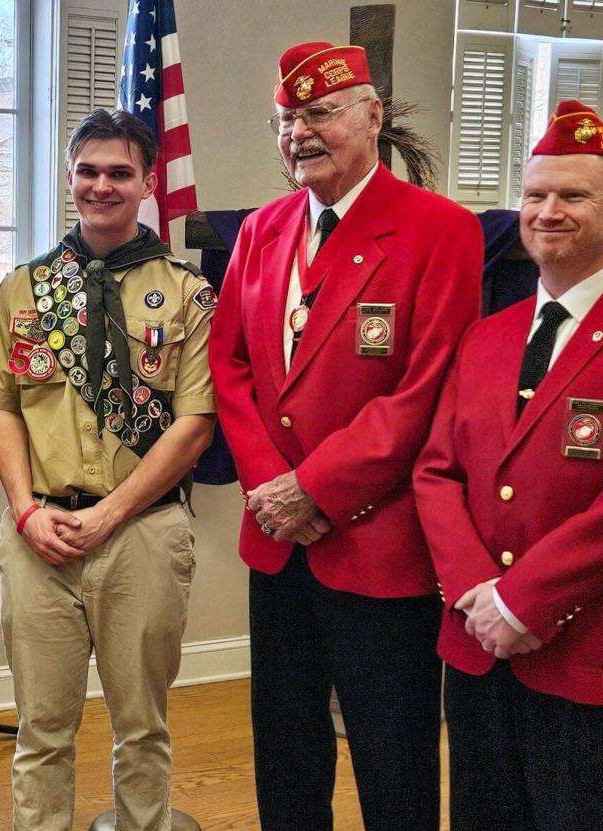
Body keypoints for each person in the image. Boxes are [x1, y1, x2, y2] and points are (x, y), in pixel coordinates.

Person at [208, 42, 484, 830]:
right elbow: (228, 365)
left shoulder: (440, 231)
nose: (299, 132)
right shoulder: (262, 231)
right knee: (286, 752)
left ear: (372, 115)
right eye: (287, 118)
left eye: (320, 113)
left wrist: (318, 488)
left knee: (391, 755)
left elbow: (426, 388)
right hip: (279, 539)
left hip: (378, 545)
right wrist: (273, 488)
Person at [414, 100, 603, 831]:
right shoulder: (486, 335)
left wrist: (523, 601)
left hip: (590, 650)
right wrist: (479, 593)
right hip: (480, 642)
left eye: (573, 195)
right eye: (535, 194)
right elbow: (436, 471)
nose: (548, 211)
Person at [0, 108, 216, 831]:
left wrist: (111, 512)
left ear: (147, 182)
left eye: (119, 173)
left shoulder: (189, 294)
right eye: (89, 171)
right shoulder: (25, 289)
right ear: (70, 176)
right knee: (40, 730)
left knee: (142, 725)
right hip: (39, 530)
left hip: (142, 531)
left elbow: (195, 423)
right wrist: (25, 509)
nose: (102, 186)